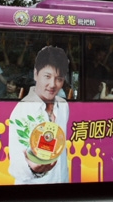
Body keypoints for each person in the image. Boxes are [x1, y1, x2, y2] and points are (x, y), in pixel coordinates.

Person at [8, 46, 70, 184]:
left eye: (59, 79)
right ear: (36, 74)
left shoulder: (63, 106)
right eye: (47, 76)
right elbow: (16, 165)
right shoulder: (22, 110)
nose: (52, 85)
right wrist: (33, 169)